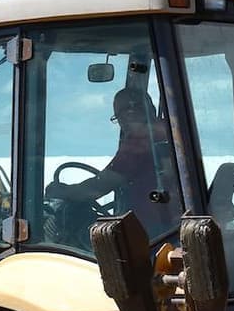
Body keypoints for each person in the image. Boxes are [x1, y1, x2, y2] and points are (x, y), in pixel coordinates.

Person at [54, 87, 176, 235]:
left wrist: (63, 191)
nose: (122, 120)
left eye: (124, 113)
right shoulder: (169, 129)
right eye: (118, 116)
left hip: (153, 230)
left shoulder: (142, 139)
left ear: (138, 110)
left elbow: (100, 186)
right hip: (170, 223)